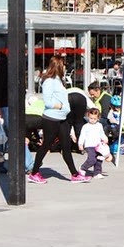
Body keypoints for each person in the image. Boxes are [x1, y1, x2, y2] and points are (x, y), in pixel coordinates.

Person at [29, 55, 85, 183]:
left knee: (66, 146)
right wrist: (59, 106)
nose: (65, 67)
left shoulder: (59, 80)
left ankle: (74, 174)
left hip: (62, 118)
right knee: (46, 145)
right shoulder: (49, 81)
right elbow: (48, 101)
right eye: (64, 65)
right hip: (51, 118)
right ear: (58, 65)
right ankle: (34, 173)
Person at [75, 106, 111, 179]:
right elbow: (82, 136)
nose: (92, 120)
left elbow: (102, 134)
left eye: (94, 119)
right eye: (91, 118)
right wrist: (80, 144)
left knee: (99, 159)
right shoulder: (86, 126)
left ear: (98, 118)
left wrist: (105, 139)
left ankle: (97, 173)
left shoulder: (99, 125)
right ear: (88, 116)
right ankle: (83, 168)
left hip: (98, 145)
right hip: (89, 145)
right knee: (92, 159)